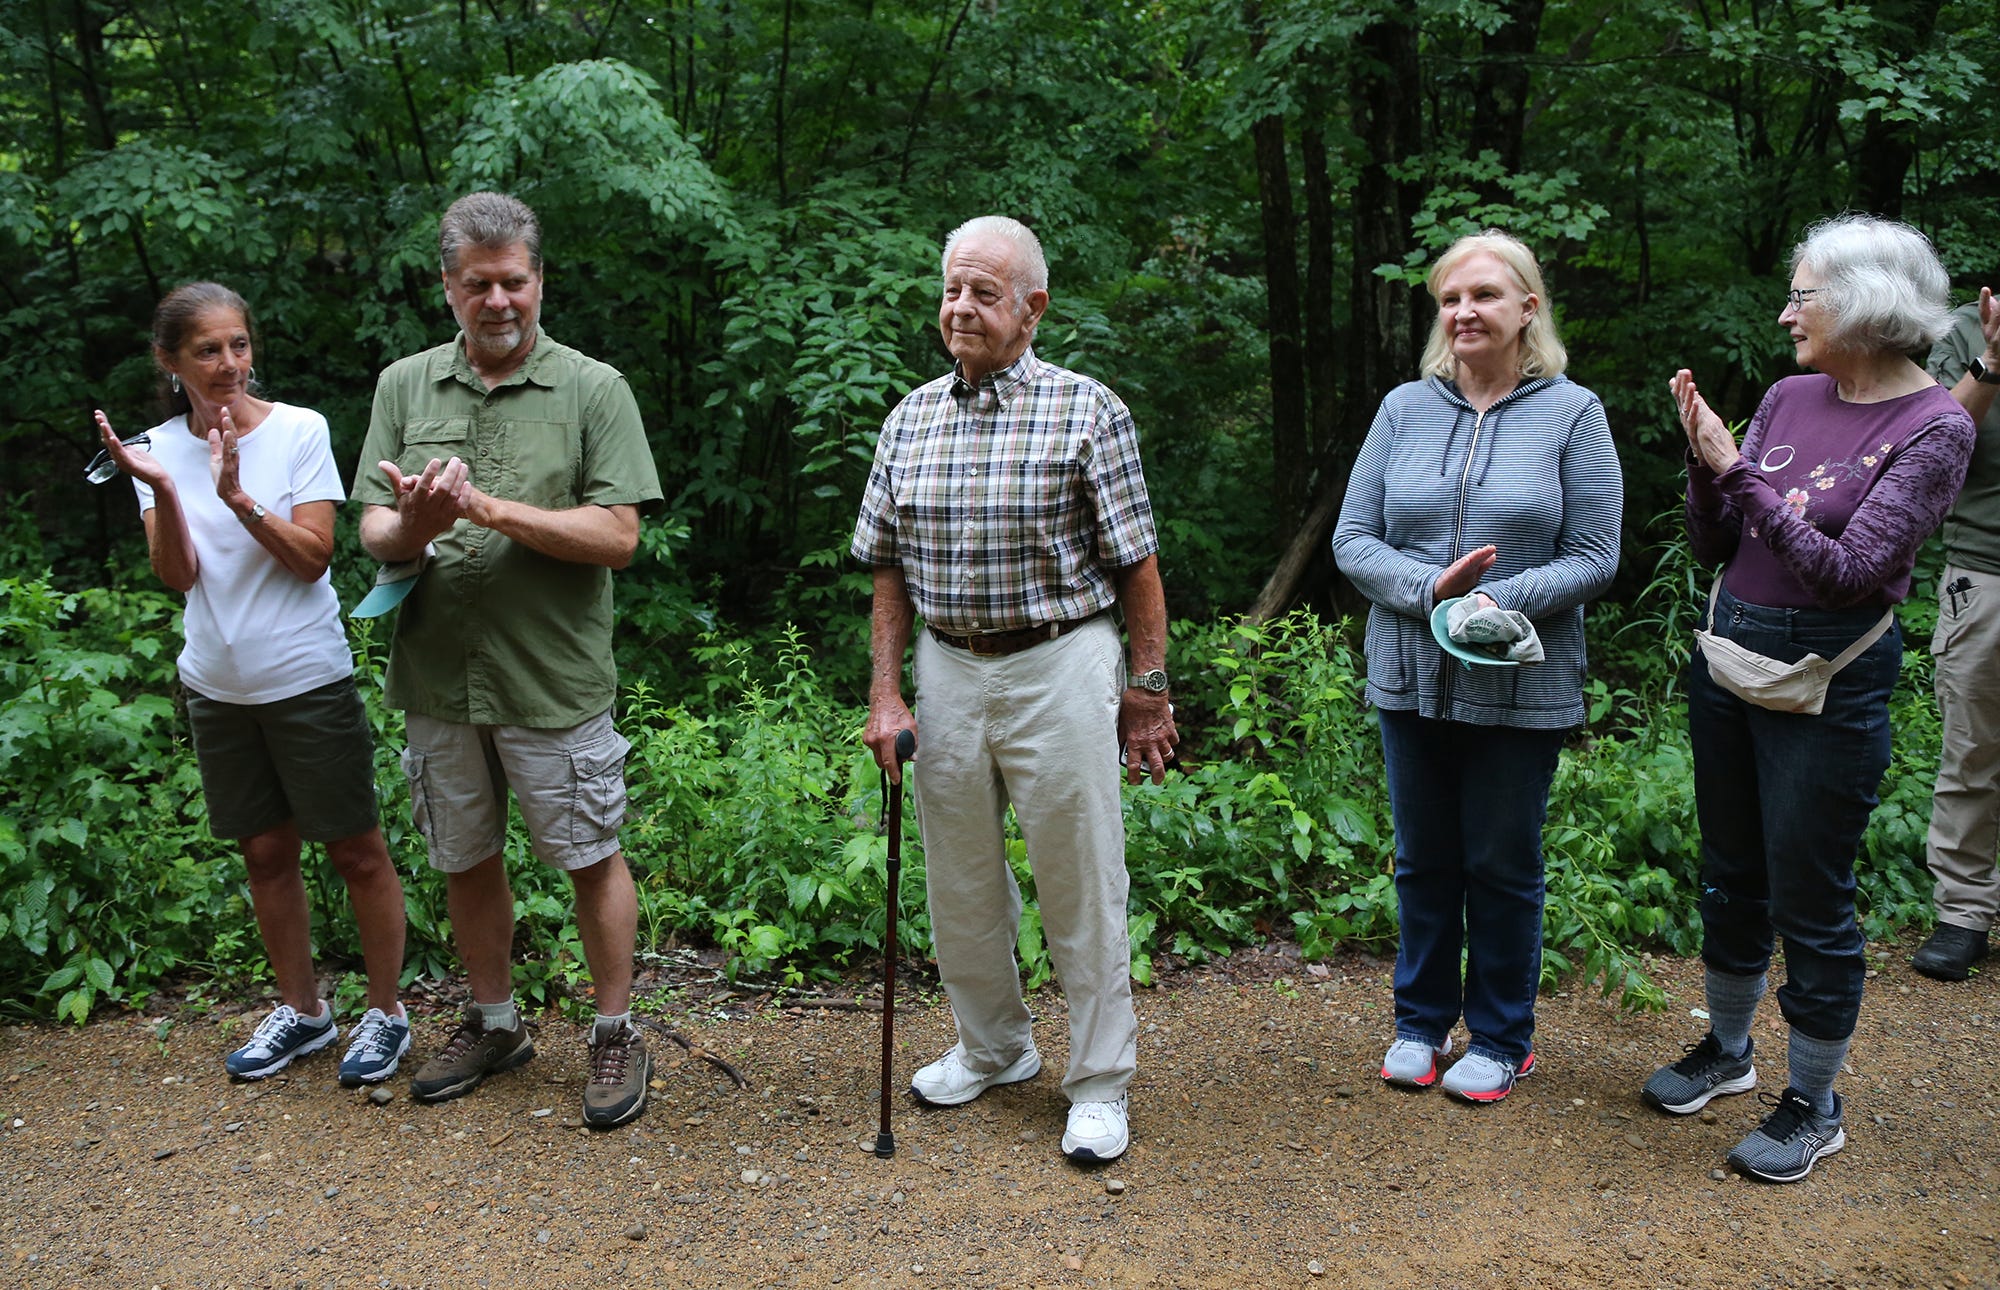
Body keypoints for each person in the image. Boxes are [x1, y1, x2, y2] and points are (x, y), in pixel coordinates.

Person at [1645, 215, 1974, 1183]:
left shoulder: (1933, 427)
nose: (1784, 312)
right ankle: (1728, 1049)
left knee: (1810, 895)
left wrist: (1731, 468)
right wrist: (1705, 466)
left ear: (1867, 305)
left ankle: (1811, 1102)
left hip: (1825, 685)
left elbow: (1846, 573)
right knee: (1728, 870)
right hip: (1729, 660)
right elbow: (1716, 545)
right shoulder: (1788, 393)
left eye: (1802, 295)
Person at [851, 215, 1177, 1164]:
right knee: (956, 876)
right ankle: (994, 1048)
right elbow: (886, 572)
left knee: (1081, 874)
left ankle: (1101, 1082)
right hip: (947, 665)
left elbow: (1138, 567)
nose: (960, 307)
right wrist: (886, 694)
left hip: (1061, 658)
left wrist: (1148, 689)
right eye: (952, 289)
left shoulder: (1088, 411)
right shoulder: (909, 417)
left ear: (1032, 309)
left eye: (983, 293)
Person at [353, 192, 663, 1128]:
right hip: (440, 678)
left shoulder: (593, 389)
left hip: (551, 679)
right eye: (478, 283)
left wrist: (488, 510)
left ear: (540, 281)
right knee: (465, 855)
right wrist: (411, 522)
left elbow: (617, 536)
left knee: (588, 852)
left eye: (514, 282)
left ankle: (614, 1031)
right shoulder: (403, 387)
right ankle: (495, 1023)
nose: (499, 301)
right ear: (448, 286)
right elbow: (371, 528)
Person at [89, 282, 410, 1086]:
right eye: (207, 350)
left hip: (305, 678)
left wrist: (237, 499)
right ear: (170, 361)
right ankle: (304, 1013)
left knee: (356, 851)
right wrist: (165, 487)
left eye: (238, 344)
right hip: (217, 685)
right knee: (265, 852)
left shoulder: (299, 430)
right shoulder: (153, 451)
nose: (229, 363)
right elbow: (179, 577)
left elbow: (313, 559)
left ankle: (386, 1013)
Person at [1331, 229, 1622, 1105]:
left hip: (1521, 678)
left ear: (1528, 308)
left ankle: (1501, 1035)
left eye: (1485, 296)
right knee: (1423, 861)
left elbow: (1598, 555)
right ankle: (1420, 1023)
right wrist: (1434, 590)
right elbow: (1354, 539)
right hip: (1410, 672)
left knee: (1500, 861)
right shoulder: (1402, 410)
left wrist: (1503, 602)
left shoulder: (1574, 413)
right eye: (1451, 299)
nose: (1464, 312)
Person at [1915, 286, 2000, 982]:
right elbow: (1937, 449)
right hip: (1987, 571)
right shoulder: (1968, 331)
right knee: (1973, 751)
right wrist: (1992, 365)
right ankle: (1964, 912)